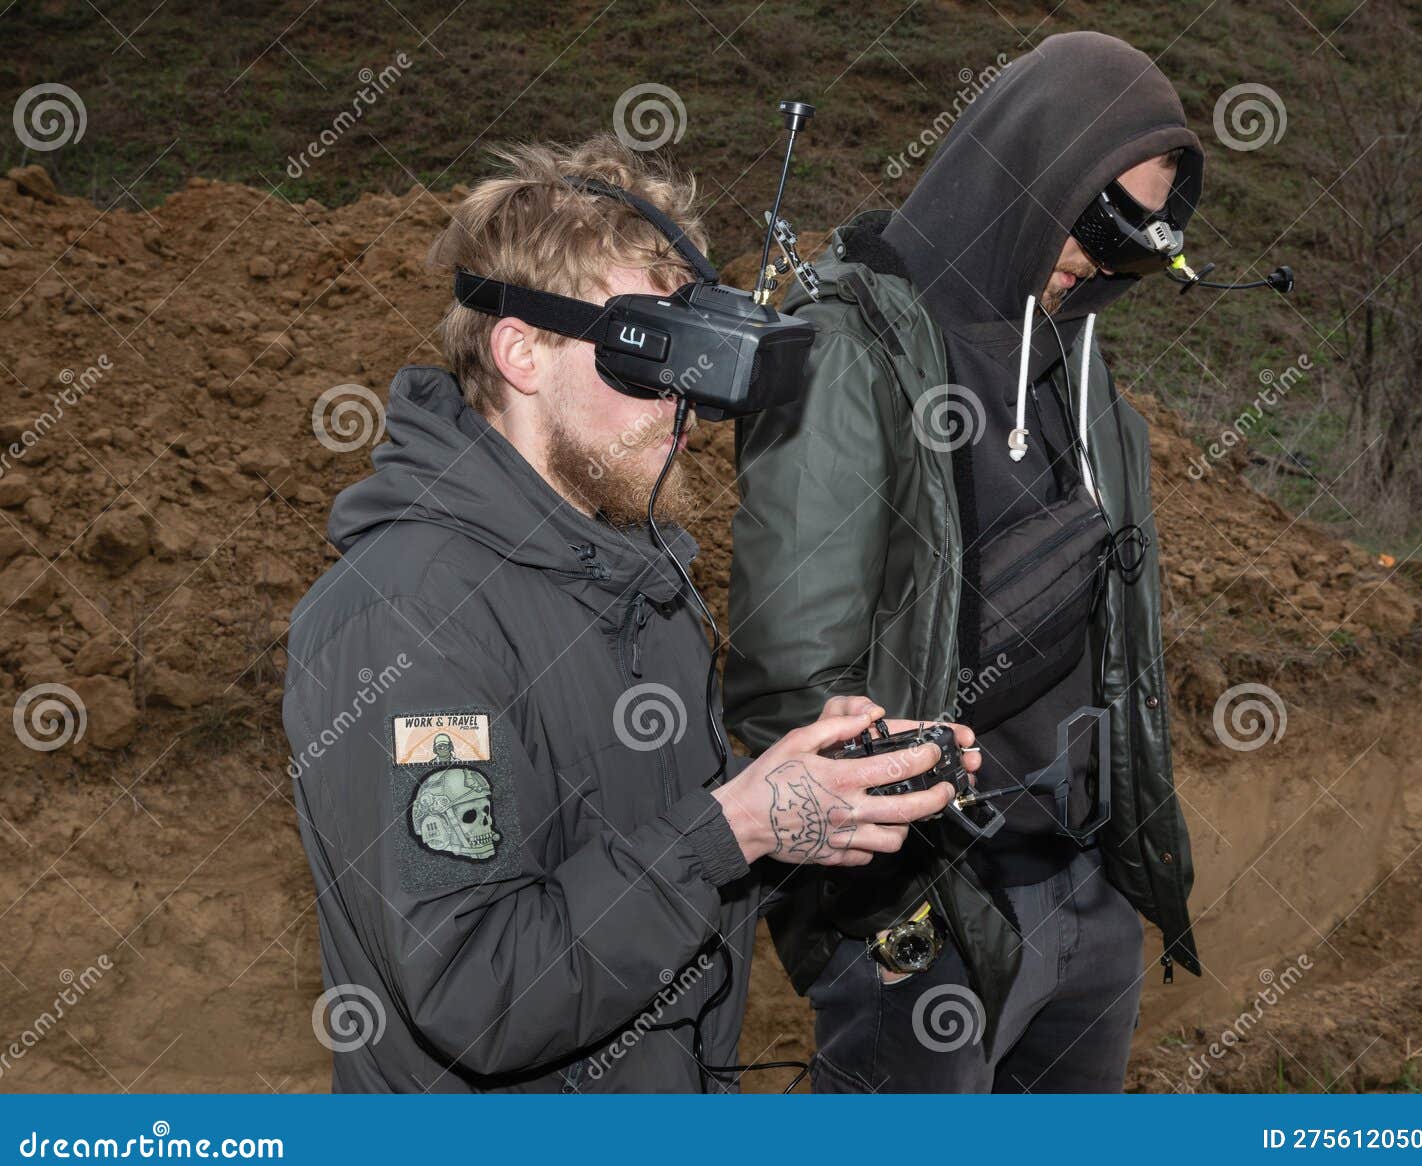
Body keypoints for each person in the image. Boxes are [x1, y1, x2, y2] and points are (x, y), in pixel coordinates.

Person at [281, 135, 970, 1092]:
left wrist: (800, 799)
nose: (681, 399)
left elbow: (648, 863)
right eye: (645, 356)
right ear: (521, 351)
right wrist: (735, 827)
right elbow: (480, 991)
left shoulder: (631, 581)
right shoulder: (407, 620)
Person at [726, 31, 1201, 1092]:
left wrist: (1121, 862)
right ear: (1021, 166)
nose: (1097, 258)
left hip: (1086, 887)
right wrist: (898, 906)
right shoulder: (849, 348)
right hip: (932, 905)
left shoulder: (1081, 369)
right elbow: (789, 677)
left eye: (1132, 237)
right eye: (1089, 215)